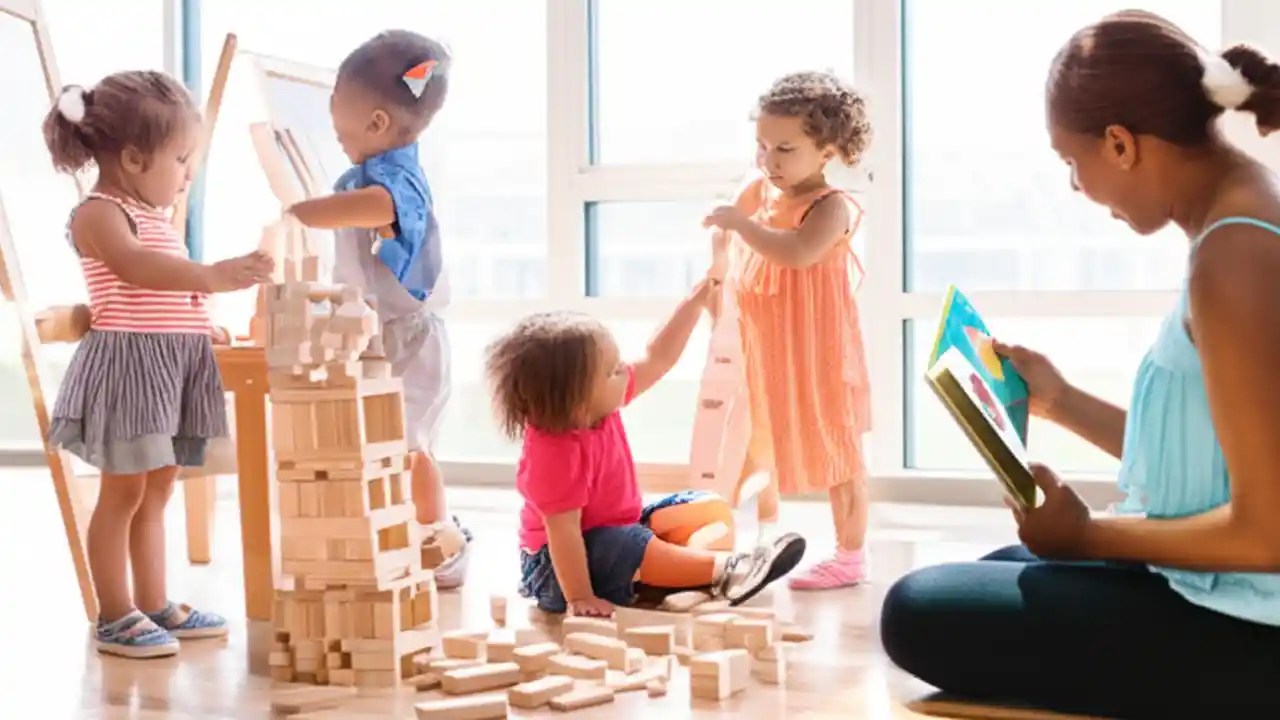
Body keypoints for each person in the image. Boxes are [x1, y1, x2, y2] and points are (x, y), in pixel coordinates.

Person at [880, 10, 1280, 717]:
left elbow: (1268, 531)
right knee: (995, 575)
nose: (1075, 187)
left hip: (1247, 626)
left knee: (916, 608)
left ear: (1120, 144)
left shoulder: (1234, 256)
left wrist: (1088, 534)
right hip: (1219, 586)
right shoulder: (1240, 220)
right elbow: (1220, 454)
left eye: (1072, 163)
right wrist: (1062, 401)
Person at [42, 71, 274, 658]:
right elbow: (136, 270)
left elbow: (164, 291)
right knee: (122, 492)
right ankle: (114, 613)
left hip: (171, 365)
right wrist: (211, 275)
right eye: (181, 158)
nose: (187, 173)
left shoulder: (153, 218)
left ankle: (153, 600)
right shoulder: (98, 215)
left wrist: (200, 318)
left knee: (158, 491)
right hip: (131, 370)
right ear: (134, 158)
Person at [484, 282, 807, 617]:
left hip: (618, 528)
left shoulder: (597, 404)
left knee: (708, 508)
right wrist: (579, 597)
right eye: (612, 371)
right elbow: (563, 534)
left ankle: (675, 571)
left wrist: (693, 302)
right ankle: (728, 571)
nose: (625, 369)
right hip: (558, 569)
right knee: (624, 545)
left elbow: (659, 357)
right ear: (578, 404)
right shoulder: (554, 455)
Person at [285, 30, 472, 588]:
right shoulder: (369, 172)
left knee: (410, 446)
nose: (337, 138)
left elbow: (376, 209)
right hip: (386, 334)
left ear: (377, 125)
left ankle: (439, 538)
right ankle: (409, 532)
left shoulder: (395, 182)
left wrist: (304, 210)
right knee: (388, 446)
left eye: (341, 130)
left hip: (412, 339)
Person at [701, 71, 873, 590]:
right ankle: (756, 530)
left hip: (817, 345)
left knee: (835, 444)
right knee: (760, 434)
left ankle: (851, 554)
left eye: (784, 148)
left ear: (827, 151)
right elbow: (728, 238)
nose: (769, 161)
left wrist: (741, 225)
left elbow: (796, 253)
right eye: (761, 146)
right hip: (765, 338)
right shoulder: (762, 190)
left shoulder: (830, 207)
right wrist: (717, 272)